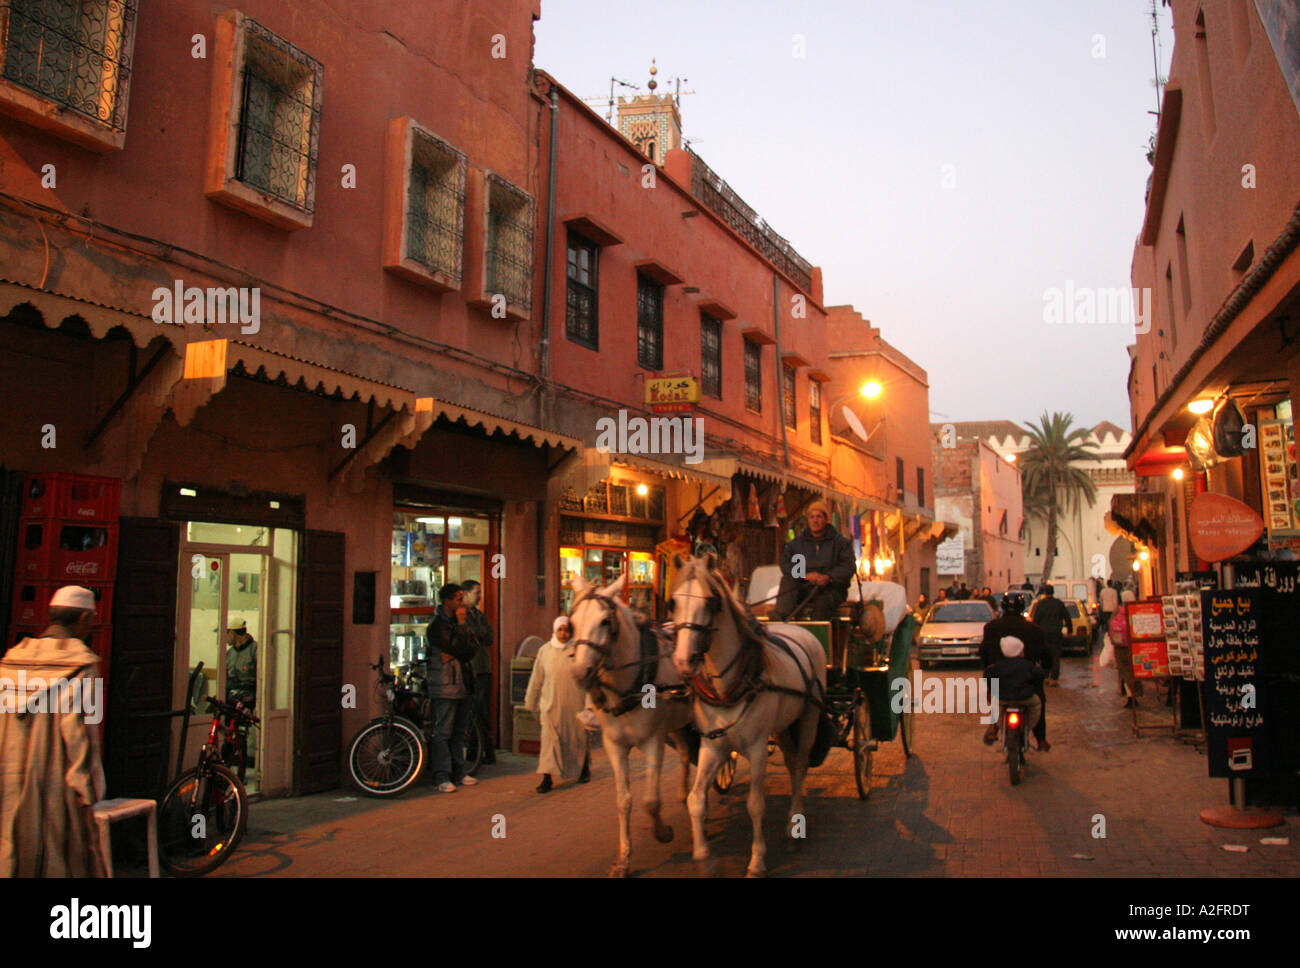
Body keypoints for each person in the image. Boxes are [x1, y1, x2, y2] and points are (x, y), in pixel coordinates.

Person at [0, 586, 107, 877]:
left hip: (7, 782)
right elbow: (80, 736)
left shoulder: (9, 661)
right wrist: (89, 791)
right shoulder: (83, 666)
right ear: (84, 618)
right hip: (52, 789)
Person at [524, 617, 590, 793]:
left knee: (576, 740)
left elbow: (587, 680)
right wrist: (531, 700)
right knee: (549, 743)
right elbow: (537, 678)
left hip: (575, 705)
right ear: (554, 630)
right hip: (550, 705)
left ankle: (583, 768)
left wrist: (590, 705)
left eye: (566, 630)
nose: (563, 634)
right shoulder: (544, 651)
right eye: (560, 630)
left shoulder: (578, 651)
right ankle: (547, 778)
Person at [979, 592, 1050, 750]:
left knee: (994, 696)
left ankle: (994, 726)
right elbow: (1045, 654)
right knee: (1039, 699)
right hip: (1027, 679)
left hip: (999, 679)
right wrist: (1046, 668)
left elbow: (983, 652)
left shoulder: (991, 628)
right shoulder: (1034, 630)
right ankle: (1041, 739)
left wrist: (989, 668)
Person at [425, 583, 478, 792]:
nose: (461, 603)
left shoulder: (459, 622)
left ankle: (459, 770)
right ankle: (441, 775)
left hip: (462, 682)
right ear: (446, 601)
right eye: (457, 599)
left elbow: (472, 647)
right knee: (443, 731)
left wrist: (457, 649)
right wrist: (462, 627)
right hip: (445, 683)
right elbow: (454, 645)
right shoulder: (437, 625)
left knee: (459, 730)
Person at [775, 500, 856, 621]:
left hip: (830, 590)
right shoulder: (797, 543)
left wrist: (829, 577)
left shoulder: (840, 543)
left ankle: (817, 635)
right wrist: (805, 576)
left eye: (819, 516)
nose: (815, 520)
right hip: (805, 587)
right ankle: (780, 621)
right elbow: (786, 564)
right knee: (787, 580)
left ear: (826, 519)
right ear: (808, 520)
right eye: (812, 517)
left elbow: (848, 567)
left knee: (823, 604)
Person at [983, 635, 1044, 744]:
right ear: (1021, 651)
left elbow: (988, 676)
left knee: (996, 708)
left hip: (1003, 698)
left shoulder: (997, 666)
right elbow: (1039, 675)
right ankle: (1026, 728)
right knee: (1037, 704)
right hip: (1025, 698)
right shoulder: (1028, 665)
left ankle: (1000, 727)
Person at [461, 579, 495, 766]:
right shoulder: (463, 615)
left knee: (483, 711)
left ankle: (485, 751)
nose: (480, 596)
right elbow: (472, 634)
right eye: (477, 592)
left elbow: (489, 636)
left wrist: (479, 634)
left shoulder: (479, 615)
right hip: (472, 669)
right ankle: (475, 752)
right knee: (474, 711)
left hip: (484, 668)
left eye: (480, 592)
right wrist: (479, 634)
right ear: (465, 594)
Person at [1031, 583, 1071, 686]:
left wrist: (1035, 633)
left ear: (1044, 592)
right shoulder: (1059, 604)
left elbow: (1036, 619)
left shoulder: (1040, 604)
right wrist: (1069, 630)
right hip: (1056, 633)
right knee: (1055, 655)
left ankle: (1045, 675)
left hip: (1043, 634)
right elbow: (1067, 617)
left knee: (1044, 655)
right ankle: (1054, 677)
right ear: (1053, 592)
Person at [1110, 589, 1144, 708]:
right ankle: (1135, 694)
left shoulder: (1117, 611)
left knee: (1124, 671)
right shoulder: (1137, 610)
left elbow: (1110, 629)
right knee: (1135, 670)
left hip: (1121, 647)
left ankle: (1130, 696)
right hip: (1135, 645)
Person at [225, 618, 257, 706]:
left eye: (225, 634)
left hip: (249, 698)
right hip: (231, 695)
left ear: (232, 633)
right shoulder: (229, 653)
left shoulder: (256, 650)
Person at [1098, 579, 1119, 651]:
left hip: (1105, 608)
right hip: (1112, 609)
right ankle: (1111, 632)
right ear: (1112, 584)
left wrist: (1102, 607)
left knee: (1106, 621)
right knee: (1112, 621)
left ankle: (1107, 634)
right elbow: (1116, 600)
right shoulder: (1114, 591)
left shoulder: (1103, 591)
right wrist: (1116, 609)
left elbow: (1100, 600)